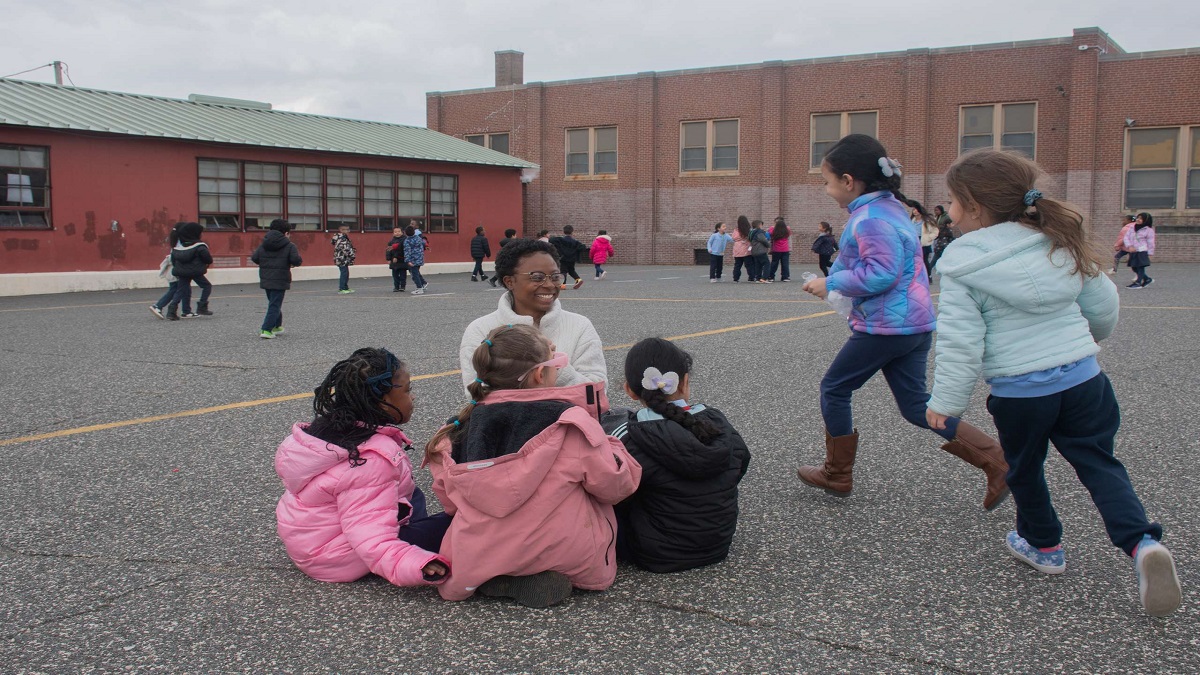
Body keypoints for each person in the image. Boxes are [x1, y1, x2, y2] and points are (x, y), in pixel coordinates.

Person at [926, 149, 1180, 617]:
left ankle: (1044, 548)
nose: (950, 212)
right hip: (1085, 379)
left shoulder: (963, 262)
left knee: (1025, 468)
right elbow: (1102, 305)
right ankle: (1141, 543)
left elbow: (963, 341)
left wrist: (947, 401)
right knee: (1099, 462)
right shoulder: (1057, 237)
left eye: (953, 202)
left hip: (1022, 393)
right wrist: (1086, 343)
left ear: (976, 206)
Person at [797, 134, 1009, 511]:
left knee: (834, 388)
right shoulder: (892, 209)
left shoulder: (870, 218)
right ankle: (997, 460)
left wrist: (829, 282)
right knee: (915, 407)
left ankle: (837, 473)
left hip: (886, 327)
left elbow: (881, 274)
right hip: (914, 324)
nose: (828, 191)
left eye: (828, 182)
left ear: (849, 181)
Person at [427, 324, 641, 607]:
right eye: (557, 363)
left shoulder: (457, 428)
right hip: (564, 551)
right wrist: (613, 446)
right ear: (541, 374)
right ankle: (545, 570)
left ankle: (496, 573)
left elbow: (450, 501)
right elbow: (614, 486)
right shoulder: (569, 423)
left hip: (479, 554)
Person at [275, 347, 451, 589]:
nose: (413, 397)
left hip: (312, 541)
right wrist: (415, 563)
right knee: (456, 525)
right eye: (408, 390)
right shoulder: (369, 461)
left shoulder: (329, 433)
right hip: (339, 555)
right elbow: (370, 536)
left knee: (413, 495)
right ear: (382, 400)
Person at [606, 338, 750, 572]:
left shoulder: (632, 437)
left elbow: (613, 490)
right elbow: (740, 465)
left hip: (655, 554)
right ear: (684, 382)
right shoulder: (718, 424)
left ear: (629, 390)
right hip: (718, 546)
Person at [459, 238, 608, 396]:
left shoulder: (579, 325)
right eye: (537, 277)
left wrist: (558, 367)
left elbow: (598, 392)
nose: (550, 285)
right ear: (510, 281)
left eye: (555, 276)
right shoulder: (480, 329)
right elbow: (475, 394)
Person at [251, 219, 302, 339]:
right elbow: (296, 260)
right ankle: (266, 329)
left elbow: (255, 258)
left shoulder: (264, 244)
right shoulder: (289, 246)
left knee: (273, 302)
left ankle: (277, 326)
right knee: (274, 304)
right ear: (286, 233)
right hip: (280, 279)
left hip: (266, 277)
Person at [150, 221, 207, 319]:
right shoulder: (181, 241)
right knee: (176, 289)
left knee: (185, 289)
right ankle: (158, 306)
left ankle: (186, 311)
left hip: (175, 268)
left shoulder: (176, 239)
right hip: (177, 268)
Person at [165, 222, 213, 321]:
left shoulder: (178, 247)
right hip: (195, 271)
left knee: (180, 290)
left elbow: (173, 260)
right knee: (207, 286)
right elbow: (208, 259)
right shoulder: (200, 246)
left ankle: (171, 311)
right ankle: (202, 306)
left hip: (182, 272)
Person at [550, 225, 588, 290]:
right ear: (572, 232)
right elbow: (583, 247)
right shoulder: (575, 242)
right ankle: (578, 279)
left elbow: (551, 240)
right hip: (572, 259)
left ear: (564, 231)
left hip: (563, 258)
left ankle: (563, 284)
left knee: (563, 271)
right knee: (571, 270)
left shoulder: (561, 240)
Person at [1124, 213, 1156, 288]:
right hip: (1133, 250)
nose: (1138, 219)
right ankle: (1147, 279)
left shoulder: (1148, 230)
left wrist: (1150, 253)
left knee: (1140, 266)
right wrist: (1129, 246)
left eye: (1141, 218)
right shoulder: (1132, 227)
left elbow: (1151, 242)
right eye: (1137, 218)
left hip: (1142, 250)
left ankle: (1138, 282)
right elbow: (1126, 237)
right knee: (1134, 267)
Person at [403, 224, 429, 295]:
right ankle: (423, 283)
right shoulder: (418, 238)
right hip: (419, 259)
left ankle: (419, 288)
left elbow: (407, 251)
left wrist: (408, 260)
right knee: (417, 272)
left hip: (413, 260)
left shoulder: (407, 241)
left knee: (414, 274)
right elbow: (423, 245)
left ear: (405, 233)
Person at [331, 225, 356, 294]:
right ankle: (342, 288)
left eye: (348, 229)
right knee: (344, 273)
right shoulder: (341, 238)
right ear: (341, 230)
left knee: (346, 273)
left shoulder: (344, 237)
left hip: (343, 258)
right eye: (346, 230)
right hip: (341, 258)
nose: (348, 231)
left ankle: (345, 287)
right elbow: (345, 249)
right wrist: (352, 254)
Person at [768, 217, 791, 282]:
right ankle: (785, 277)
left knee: (774, 263)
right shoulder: (787, 230)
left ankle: (771, 276)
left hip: (776, 249)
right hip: (785, 249)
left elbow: (770, 232)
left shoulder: (773, 230)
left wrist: (774, 226)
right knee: (785, 263)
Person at [748, 219, 772, 283]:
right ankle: (764, 278)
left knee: (758, 265)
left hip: (754, 251)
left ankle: (758, 278)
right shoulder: (759, 232)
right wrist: (769, 245)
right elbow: (763, 240)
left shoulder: (751, 232)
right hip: (760, 251)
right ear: (760, 225)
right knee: (767, 263)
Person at [916, 205, 938, 272]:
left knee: (925, 260)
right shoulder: (912, 220)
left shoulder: (927, 221)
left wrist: (928, 238)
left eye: (916, 210)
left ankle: (929, 275)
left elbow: (935, 231)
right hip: (915, 241)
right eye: (914, 210)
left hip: (923, 242)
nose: (915, 211)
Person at [386, 226, 408, 293]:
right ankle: (396, 286)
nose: (397, 233)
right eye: (395, 232)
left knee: (402, 274)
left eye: (399, 231)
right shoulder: (391, 241)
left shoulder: (404, 240)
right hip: (393, 261)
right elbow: (388, 251)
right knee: (395, 274)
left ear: (402, 232)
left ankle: (402, 286)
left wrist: (396, 257)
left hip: (402, 260)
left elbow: (401, 250)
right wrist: (388, 258)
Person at [731, 216, 752, 283]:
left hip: (737, 249)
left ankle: (736, 278)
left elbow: (733, 238)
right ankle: (751, 277)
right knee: (749, 265)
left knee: (737, 265)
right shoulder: (748, 230)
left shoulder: (736, 230)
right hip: (746, 248)